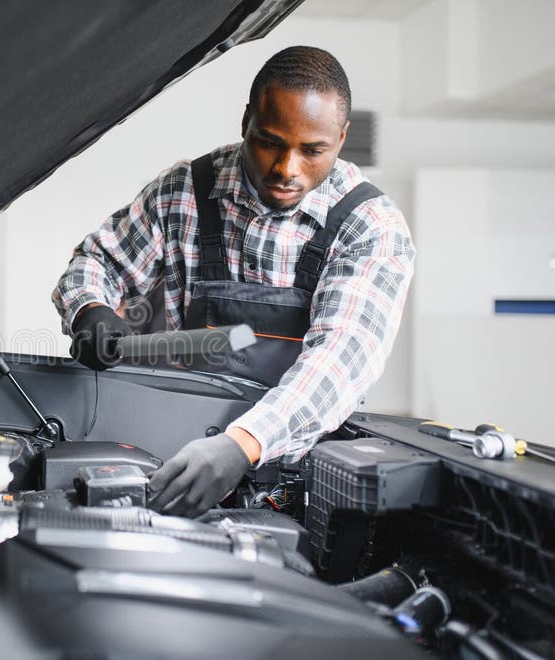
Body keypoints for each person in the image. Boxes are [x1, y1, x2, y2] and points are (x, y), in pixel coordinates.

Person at [52, 46, 415, 517]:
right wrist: (89, 308)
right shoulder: (185, 190)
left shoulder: (370, 225)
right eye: (269, 141)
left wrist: (242, 444)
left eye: (313, 150)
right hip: (180, 450)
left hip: (303, 475)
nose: (287, 169)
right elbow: (97, 262)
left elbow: (341, 360)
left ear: (341, 139)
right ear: (246, 120)